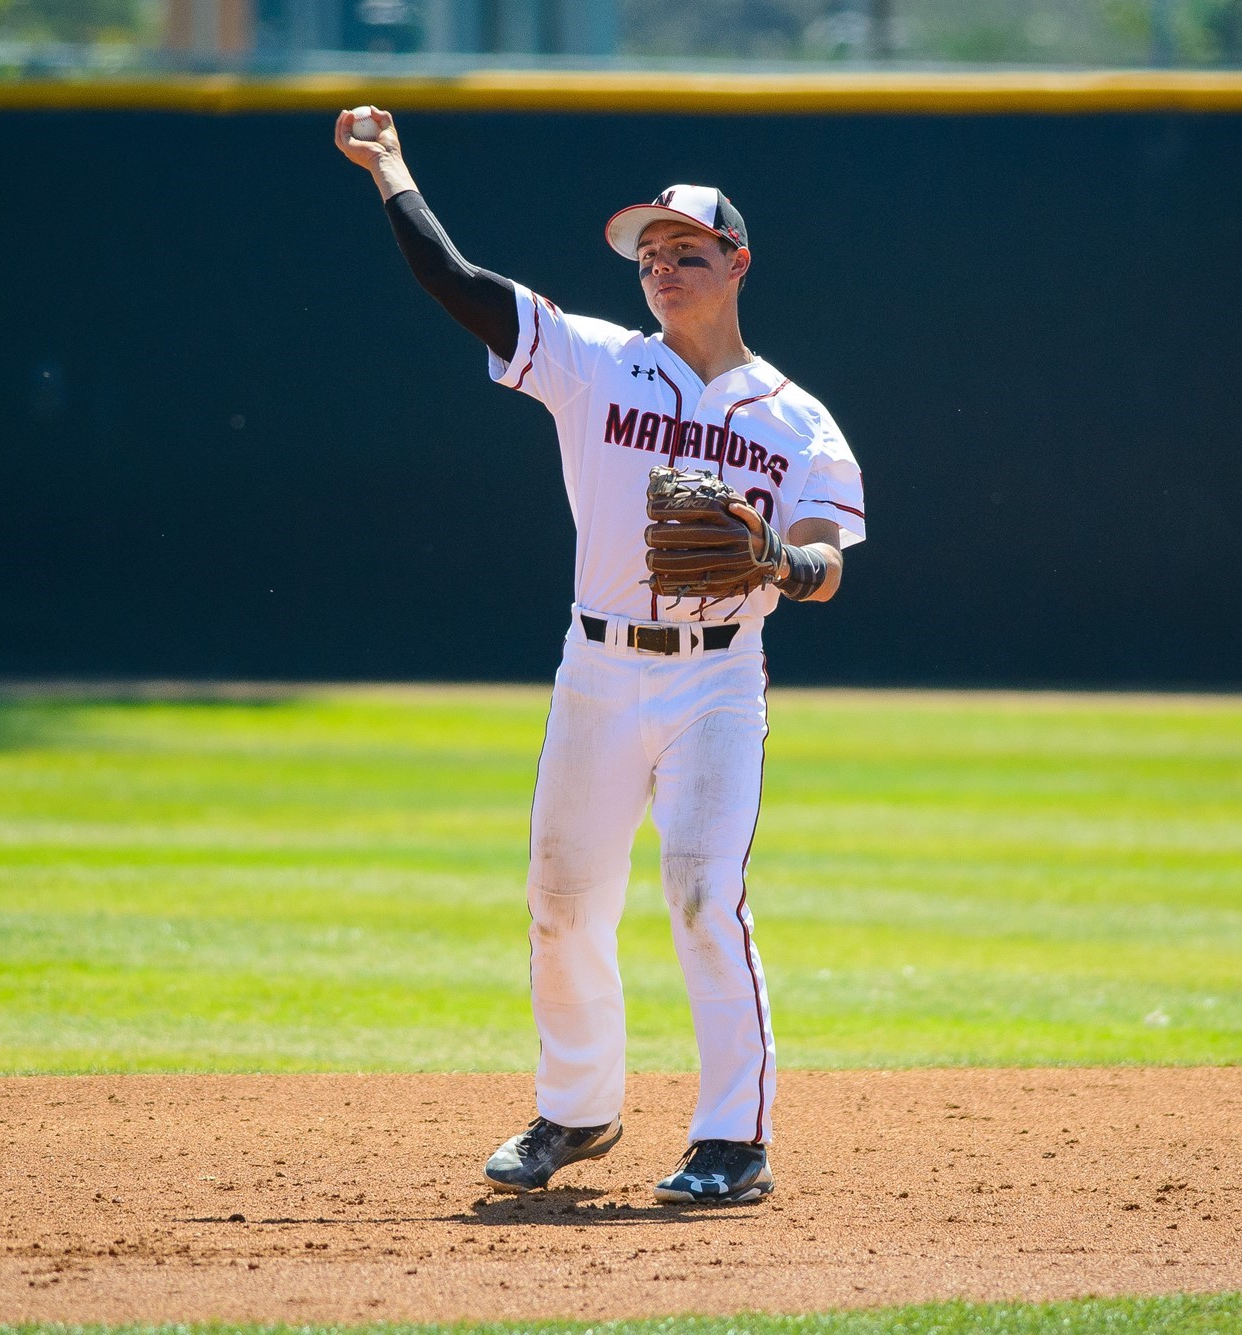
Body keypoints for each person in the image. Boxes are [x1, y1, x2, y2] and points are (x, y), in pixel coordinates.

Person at [334, 106, 866, 1205]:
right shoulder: (594, 364)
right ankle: (575, 1111)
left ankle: (733, 1139)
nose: (663, 269)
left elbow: (828, 566)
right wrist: (390, 169)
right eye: (649, 255)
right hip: (597, 670)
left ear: (737, 263)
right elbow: (457, 281)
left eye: (686, 252)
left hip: (716, 675)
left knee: (699, 892)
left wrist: (775, 556)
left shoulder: (797, 423)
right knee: (561, 901)